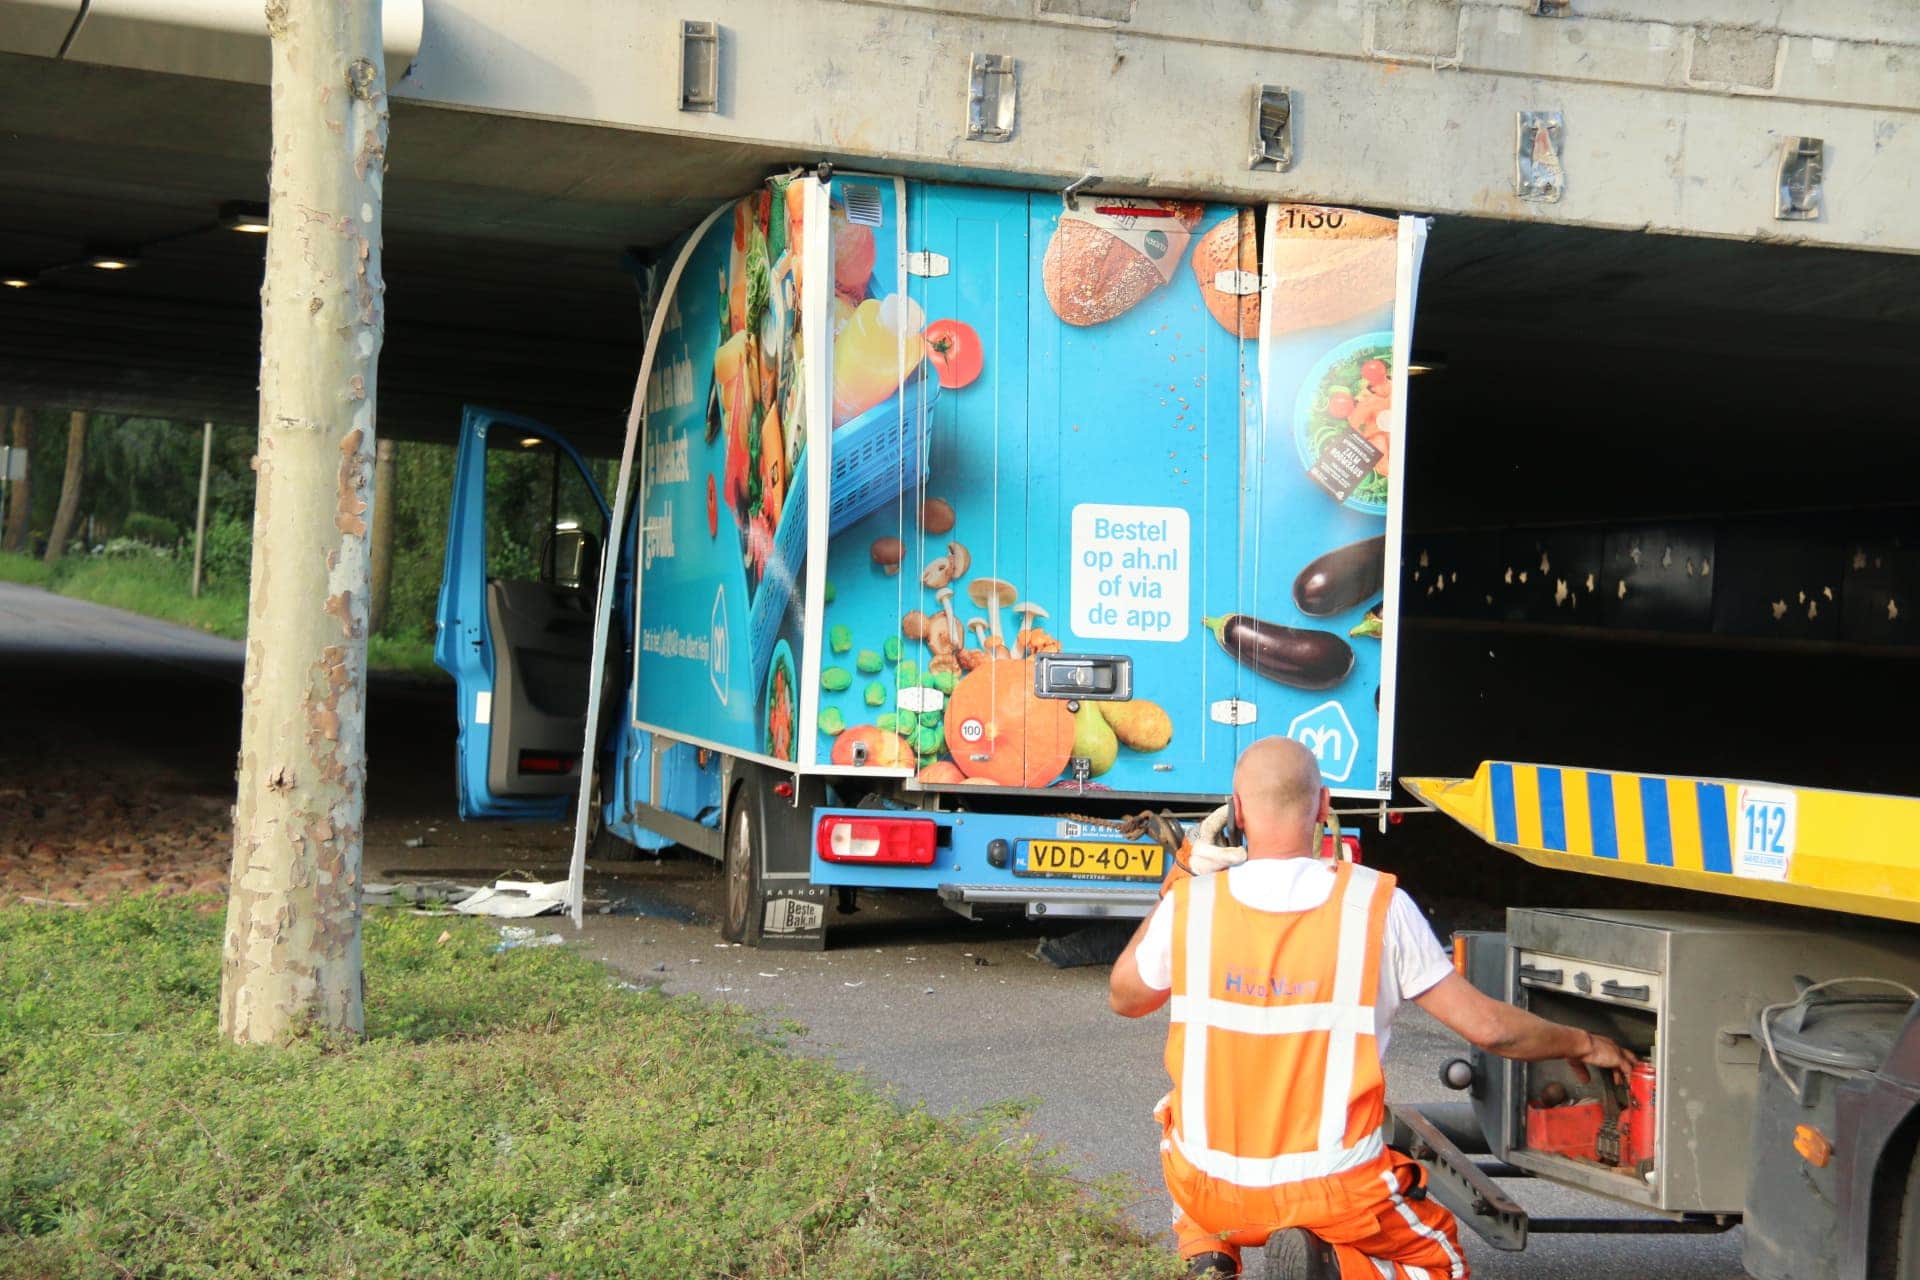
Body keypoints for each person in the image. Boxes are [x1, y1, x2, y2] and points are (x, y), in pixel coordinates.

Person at [1109, 737, 1638, 1279]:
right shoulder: (1375, 905)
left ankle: (1208, 1252)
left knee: (1175, 1111)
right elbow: (1490, 1029)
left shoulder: (1192, 903)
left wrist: (1182, 878)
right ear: (1323, 806)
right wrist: (1585, 1041)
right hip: (1333, 1192)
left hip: (1209, 1191)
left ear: (1237, 810)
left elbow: (1126, 998)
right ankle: (1333, 1270)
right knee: (1441, 1267)